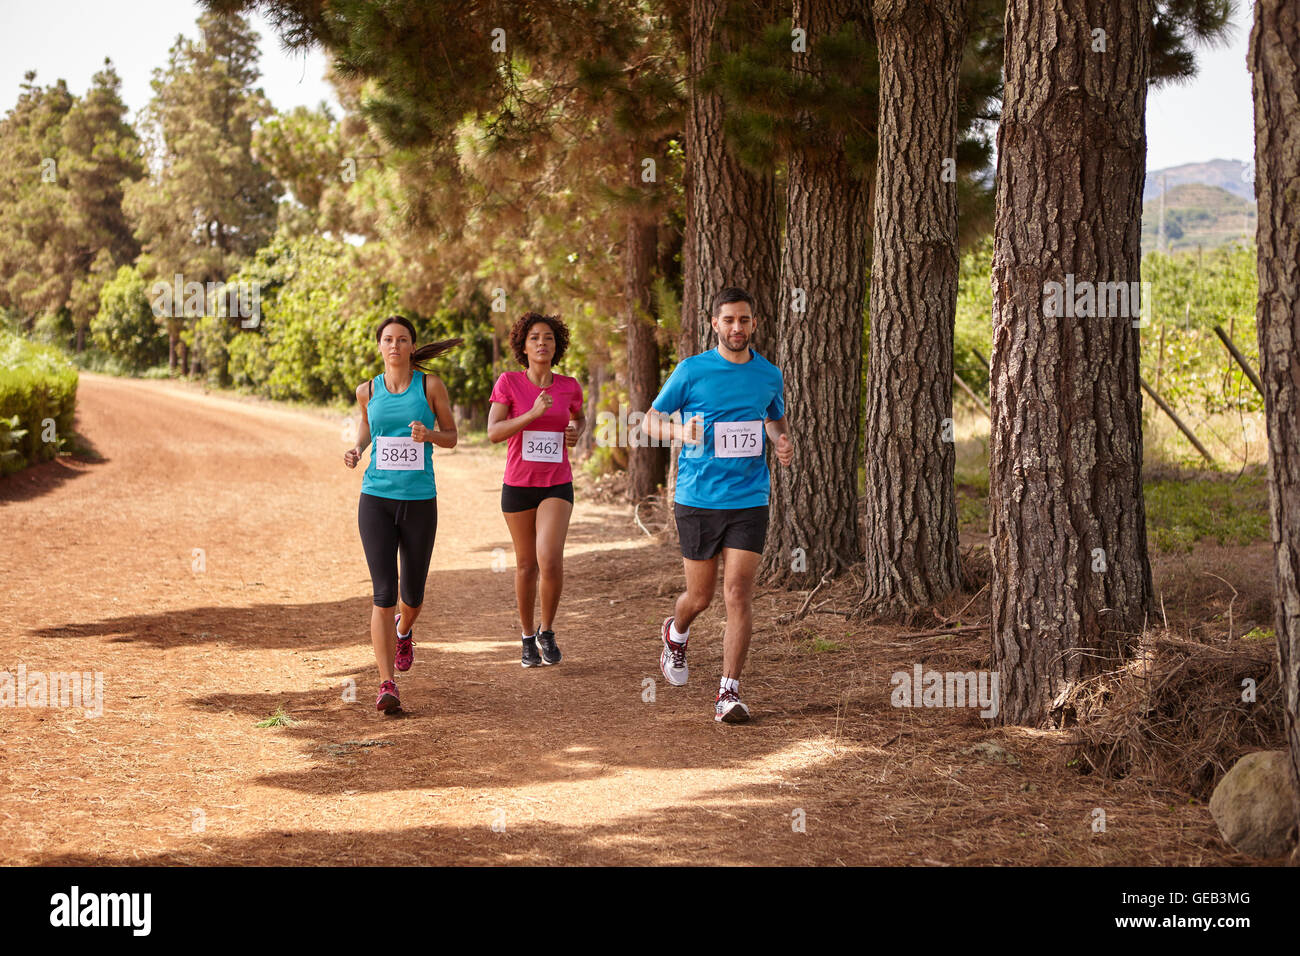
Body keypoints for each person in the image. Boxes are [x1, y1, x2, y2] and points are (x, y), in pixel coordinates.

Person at [643, 287, 793, 722]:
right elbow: (651, 420)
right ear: (715, 324)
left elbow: (773, 418)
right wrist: (678, 434)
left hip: (749, 498)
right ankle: (676, 632)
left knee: (737, 593)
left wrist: (781, 442)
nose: (737, 328)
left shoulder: (769, 374)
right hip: (698, 499)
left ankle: (728, 692)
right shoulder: (692, 371)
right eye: (729, 320)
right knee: (701, 596)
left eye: (744, 320)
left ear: (754, 324)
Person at [344, 316, 461, 713]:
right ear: (379, 346)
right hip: (375, 498)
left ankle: (405, 630)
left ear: (412, 346)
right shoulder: (367, 390)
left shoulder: (430, 386)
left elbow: (452, 436)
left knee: (412, 595)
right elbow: (366, 427)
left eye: (402, 340)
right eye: (388, 339)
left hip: (419, 501)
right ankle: (386, 683)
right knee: (383, 593)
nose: (395, 345)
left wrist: (428, 436)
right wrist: (357, 450)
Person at [487, 312, 585, 667]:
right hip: (518, 485)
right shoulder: (510, 383)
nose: (542, 343)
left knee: (550, 559)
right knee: (527, 565)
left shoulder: (569, 386)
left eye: (548, 338)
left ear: (556, 346)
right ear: (523, 347)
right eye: (534, 338)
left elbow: (578, 416)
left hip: (557, 482)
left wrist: (576, 429)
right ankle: (527, 636)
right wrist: (530, 414)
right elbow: (494, 432)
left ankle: (547, 630)